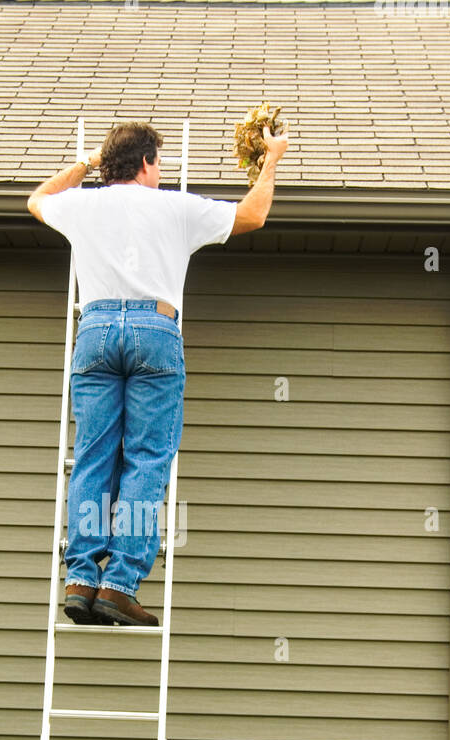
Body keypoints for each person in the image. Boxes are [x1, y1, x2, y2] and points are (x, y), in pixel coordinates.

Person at [27, 120, 289, 625]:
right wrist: (271, 157)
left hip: (96, 327)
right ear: (146, 162)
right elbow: (254, 214)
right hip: (154, 329)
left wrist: (84, 166)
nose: (162, 169)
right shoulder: (175, 206)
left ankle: (81, 576)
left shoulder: (82, 204)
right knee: (145, 460)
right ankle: (119, 584)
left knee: (93, 456)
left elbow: (37, 200)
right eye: (159, 162)